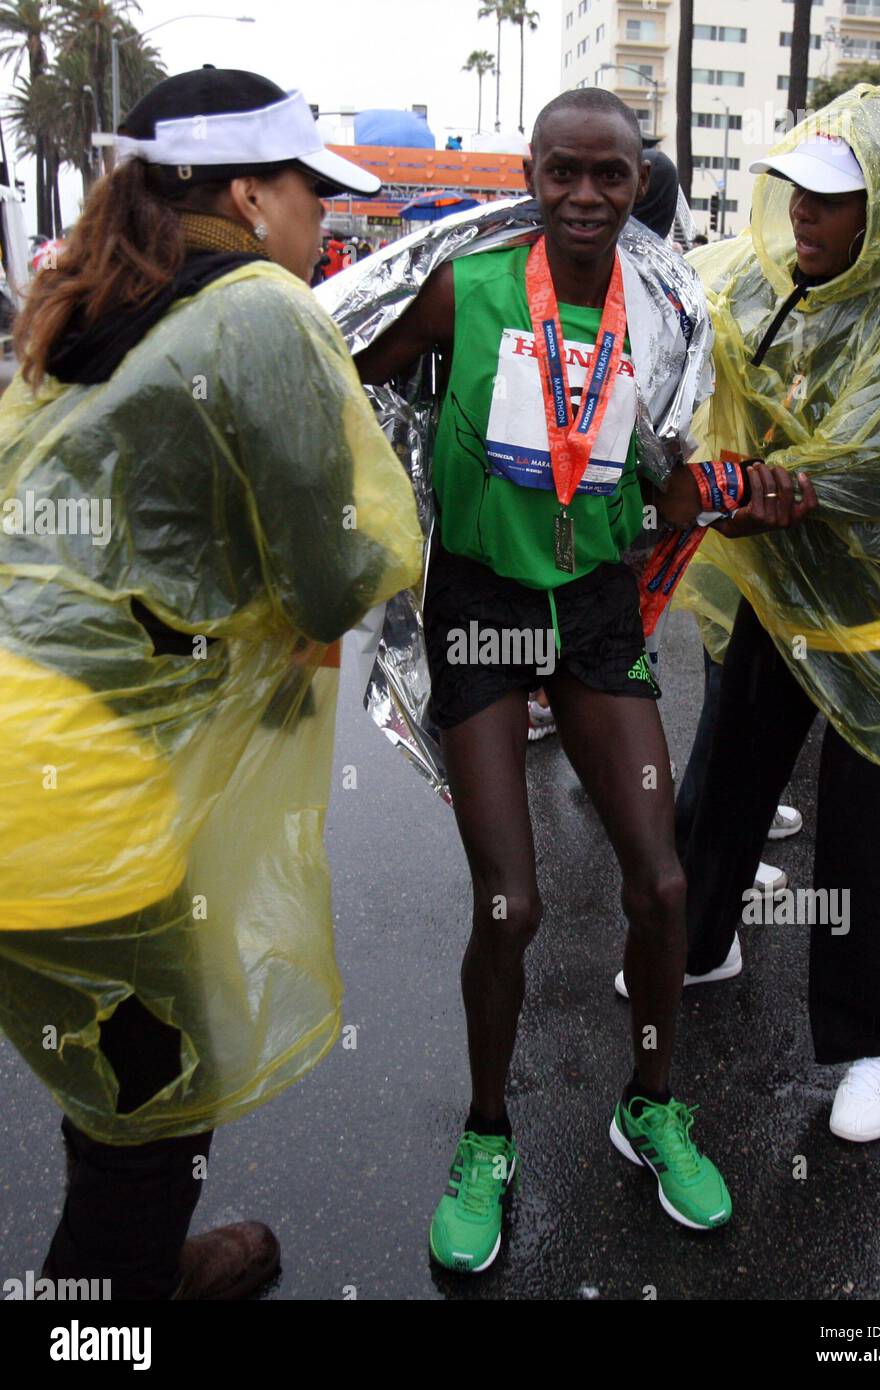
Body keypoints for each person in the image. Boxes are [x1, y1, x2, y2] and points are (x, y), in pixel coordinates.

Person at [355, 87, 815, 1271]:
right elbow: (361, 381)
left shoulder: (658, 313)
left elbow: (665, 485)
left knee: (661, 887)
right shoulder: (470, 290)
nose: (584, 196)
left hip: (595, 612)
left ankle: (650, 1105)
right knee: (512, 902)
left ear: (638, 179)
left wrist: (743, 493)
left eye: (609, 176)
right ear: (530, 173)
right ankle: (487, 1135)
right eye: (562, 172)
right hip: (484, 611)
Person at [0, 67, 422, 1299]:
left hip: (27, 756)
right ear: (248, 191)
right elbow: (343, 563)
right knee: (156, 1116)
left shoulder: (77, 308)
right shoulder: (258, 310)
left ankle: (142, 1268)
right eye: (309, 195)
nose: (324, 224)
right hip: (86, 792)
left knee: (121, 1064)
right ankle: (102, 1320)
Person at [665, 85, 880, 1142]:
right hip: (788, 587)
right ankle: (701, 937)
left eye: (832, 200)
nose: (802, 216)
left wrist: (712, 493)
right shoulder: (769, 279)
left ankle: (877, 1044)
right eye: (795, 191)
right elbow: (677, 325)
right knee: (725, 777)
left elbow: (864, 470)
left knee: (858, 830)